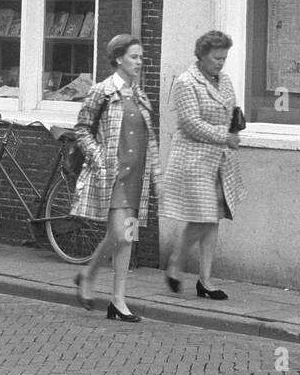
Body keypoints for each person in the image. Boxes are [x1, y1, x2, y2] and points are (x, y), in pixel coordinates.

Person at [72, 34, 160, 322]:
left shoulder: (141, 95)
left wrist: (156, 174)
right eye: (134, 57)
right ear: (119, 58)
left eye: (141, 57)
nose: (139, 62)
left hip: (137, 178)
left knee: (127, 238)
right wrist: (98, 158)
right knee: (120, 234)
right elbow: (82, 129)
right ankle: (89, 274)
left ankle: (118, 300)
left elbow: (150, 139)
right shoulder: (102, 91)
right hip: (113, 175)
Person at [161, 30, 246, 300]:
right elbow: (190, 123)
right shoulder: (187, 82)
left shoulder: (226, 81)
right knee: (203, 216)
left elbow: (232, 110)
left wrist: (235, 127)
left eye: (224, 58)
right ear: (202, 55)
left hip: (220, 161)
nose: (220, 63)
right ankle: (176, 261)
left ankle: (205, 280)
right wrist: (225, 136)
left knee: (212, 220)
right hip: (193, 160)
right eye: (216, 58)